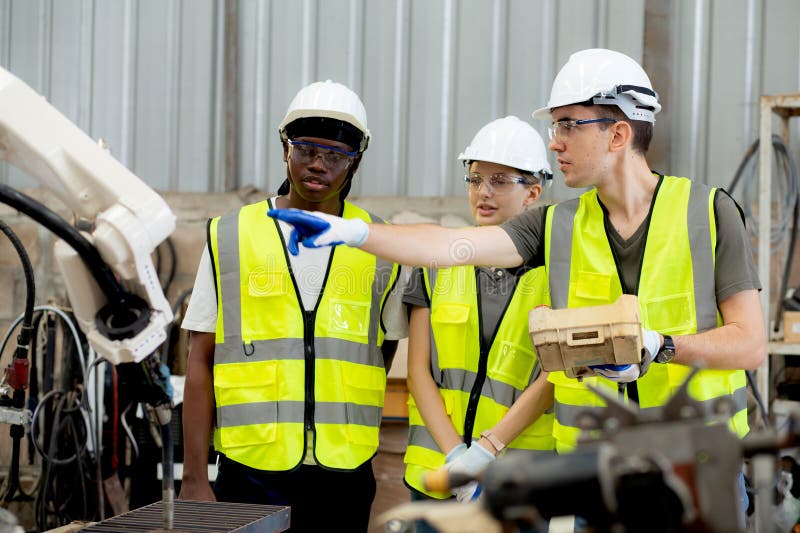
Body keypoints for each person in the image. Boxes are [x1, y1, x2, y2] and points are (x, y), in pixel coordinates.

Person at [268, 49, 766, 526]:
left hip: (695, 469)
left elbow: (749, 343)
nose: (554, 142)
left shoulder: (708, 212)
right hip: (597, 476)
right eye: (556, 126)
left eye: (569, 124)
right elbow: (450, 246)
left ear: (617, 133)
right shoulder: (555, 225)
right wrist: (357, 233)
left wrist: (662, 347)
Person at [178, 80, 408, 533]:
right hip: (250, 468)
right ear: (286, 148)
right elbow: (200, 360)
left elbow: (380, 349)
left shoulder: (379, 242)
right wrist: (193, 477)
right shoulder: (229, 235)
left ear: (354, 161)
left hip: (344, 469)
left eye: (336, 155)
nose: (319, 165)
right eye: (306, 149)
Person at [402, 117, 556, 532]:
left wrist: (486, 453)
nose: (483, 192)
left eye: (501, 181)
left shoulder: (557, 274)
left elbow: (552, 378)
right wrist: (457, 458)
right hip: (438, 477)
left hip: (518, 483)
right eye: (475, 179)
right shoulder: (436, 263)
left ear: (533, 192)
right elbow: (418, 372)